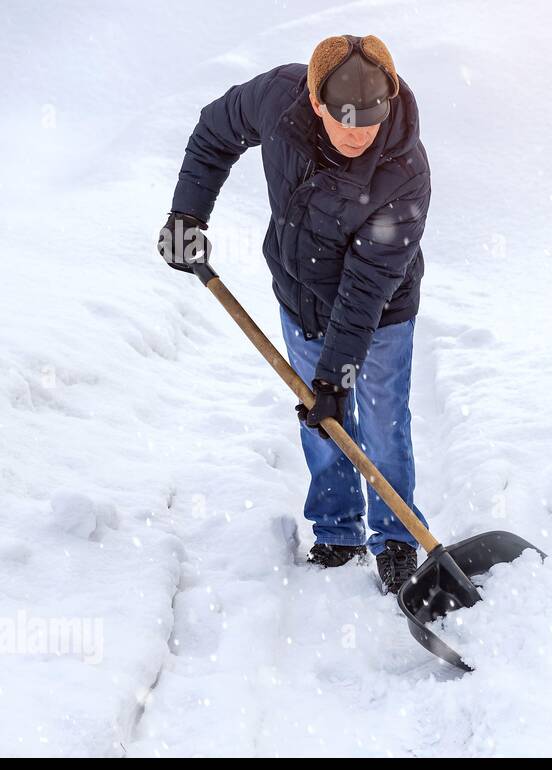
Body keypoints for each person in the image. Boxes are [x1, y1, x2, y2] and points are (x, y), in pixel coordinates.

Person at [157, 35, 431, 593]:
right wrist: (188, 214)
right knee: (321, 418)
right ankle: (338, 530)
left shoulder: (404, 170)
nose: (360, 137)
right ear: (316, 104)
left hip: (379, 314)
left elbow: (367, 286)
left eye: (371, 123)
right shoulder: (279, 98)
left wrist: (335, 375)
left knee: (381, 423)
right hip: (299, 293)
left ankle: (397, 539)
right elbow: (214, 133)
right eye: (346, 123)